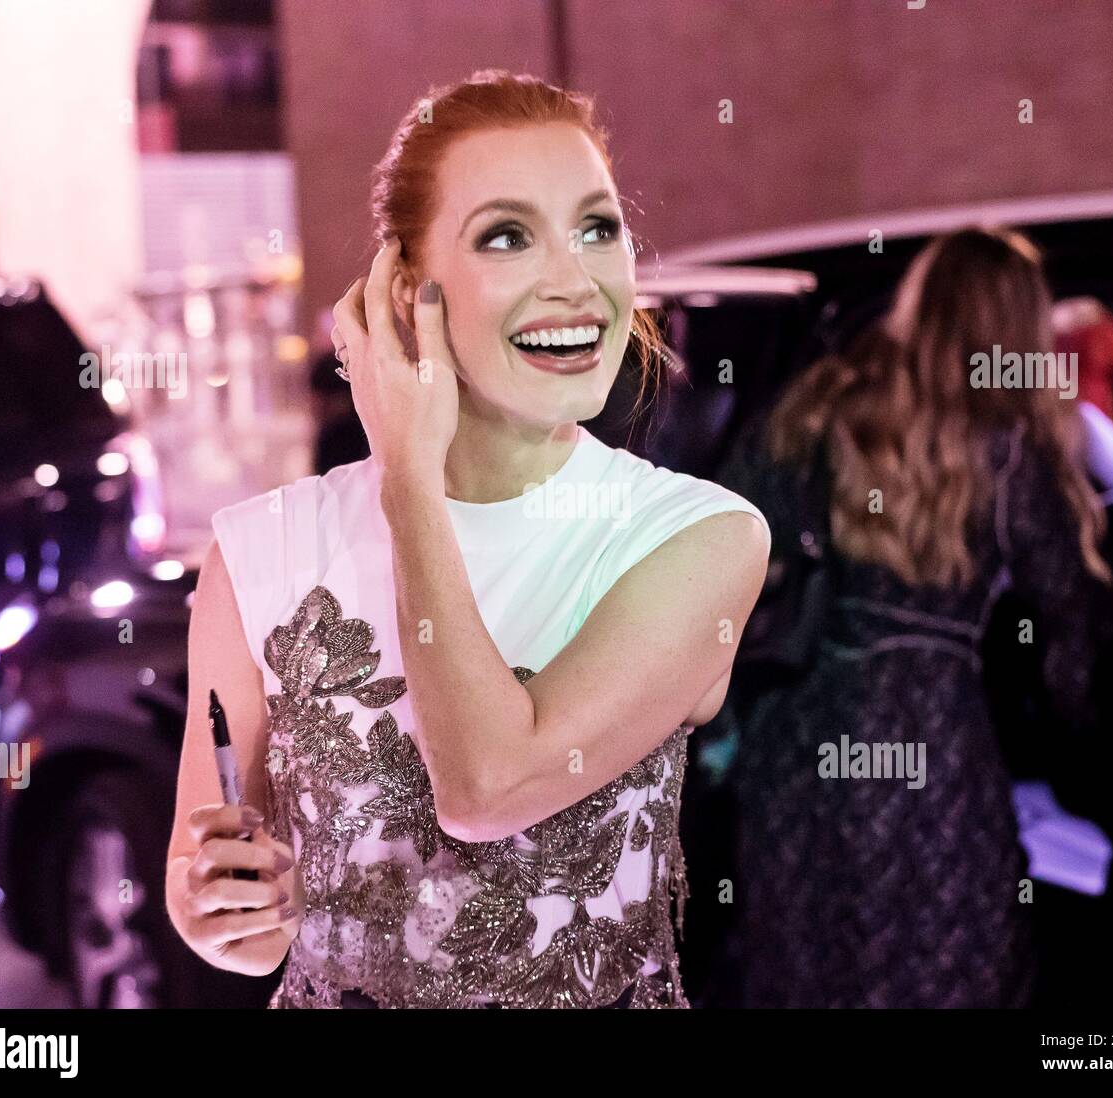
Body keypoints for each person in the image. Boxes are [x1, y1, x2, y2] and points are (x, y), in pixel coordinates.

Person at [163, 70, 771, 1009]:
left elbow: (488, 786)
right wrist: (229, 914)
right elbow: (226, 904)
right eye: (507, 236)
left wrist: (407, 476)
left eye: (597, 228)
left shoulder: (700, 537)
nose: (575, 280)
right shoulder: (257, 554)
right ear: (407, 292)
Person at [720, 226, 1113, 1008]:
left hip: (806, 735)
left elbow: (724, 534)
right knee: (941, 966)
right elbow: (1074, 615)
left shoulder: (824, 404)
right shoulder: (1008, 451)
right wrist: (1087, 731)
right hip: (934, 747)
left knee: (808, 968)